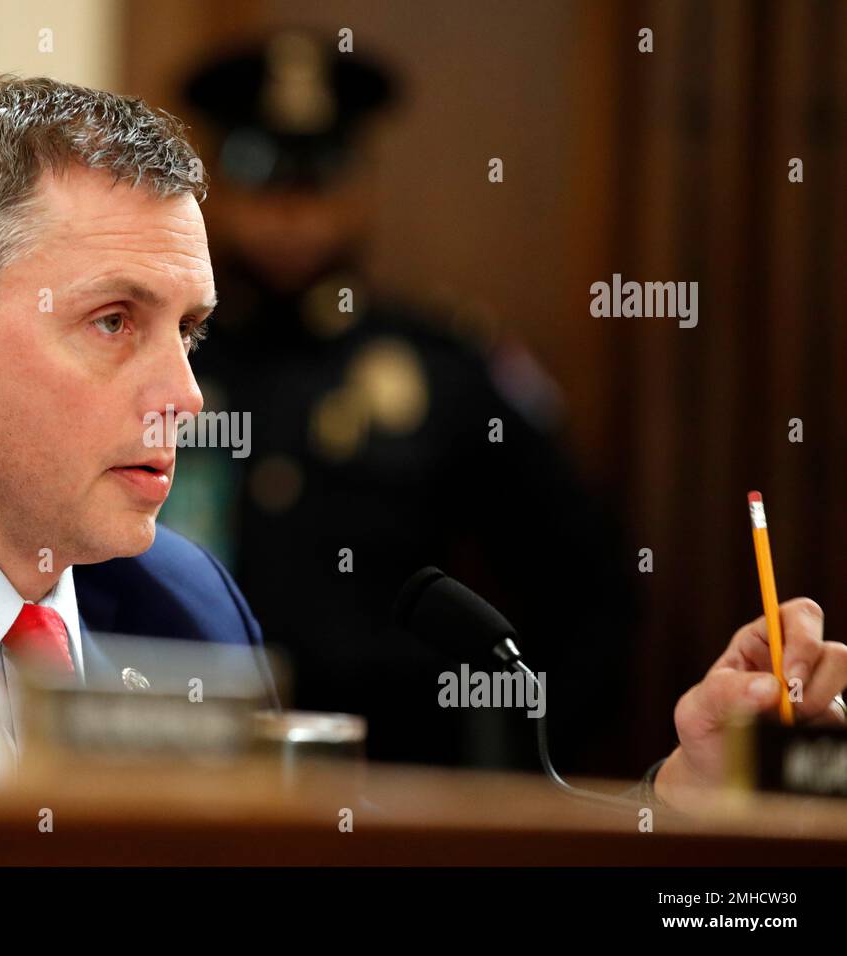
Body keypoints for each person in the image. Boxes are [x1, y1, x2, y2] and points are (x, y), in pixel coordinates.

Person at [0, 74, 846, 812]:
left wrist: (667, 821)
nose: (185, 391)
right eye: (115, 322)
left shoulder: (179, 602)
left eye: (192, 328)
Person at [169, 33, 638, 774]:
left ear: (361, 186)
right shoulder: (167, 355)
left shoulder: (445, 368)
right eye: (260, 175)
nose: (292, 211)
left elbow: (588, 593)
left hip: (399, 780)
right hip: (178, 770)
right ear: (217, 189)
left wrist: (514, 774)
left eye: (319, 177)